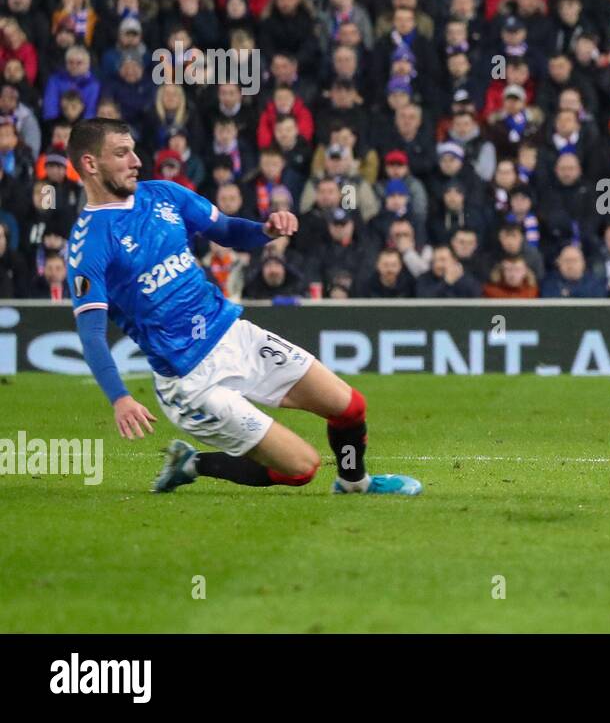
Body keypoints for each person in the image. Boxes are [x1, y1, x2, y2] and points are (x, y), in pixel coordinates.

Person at [66, 118, 421, 496]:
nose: (136, 160)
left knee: (349, 407)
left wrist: (265, 230)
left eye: (134, 150)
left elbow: (227, 230)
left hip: (234, 335)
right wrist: (119, 397)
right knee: (302, 469)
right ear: (90, 164)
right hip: (191, 380)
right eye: (121, 153)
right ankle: (193, 463)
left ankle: (354, 483)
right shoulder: (88, 243)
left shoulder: (164, 195)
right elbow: (91, 333)